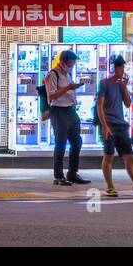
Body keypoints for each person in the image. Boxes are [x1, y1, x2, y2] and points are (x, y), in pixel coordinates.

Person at [96, 56, 133, 198]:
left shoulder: (120, 84)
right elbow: (99, 105)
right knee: (109, 156)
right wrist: (104, 126)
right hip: (108, 124)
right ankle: (110, 188)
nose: (123, 71)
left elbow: (128, 103)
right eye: (121, 68)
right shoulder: (104, 83)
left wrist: (124, 87)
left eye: (124, 68)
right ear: (115, 68)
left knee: (129, 156)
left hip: (121, 125)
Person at [44, 50, 90, 186]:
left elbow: (67, 90)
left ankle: (72, 173)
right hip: (58, 111)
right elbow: (51, 96)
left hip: (71, 110)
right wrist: (68, 87)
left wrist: (73, 87)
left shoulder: (67, 74)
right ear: (63, 62)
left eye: (73, 65)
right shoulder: (52, 75)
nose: (72, 67)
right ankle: (58, 176)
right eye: (70, 64)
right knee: (61, 143)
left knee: (77, 142)